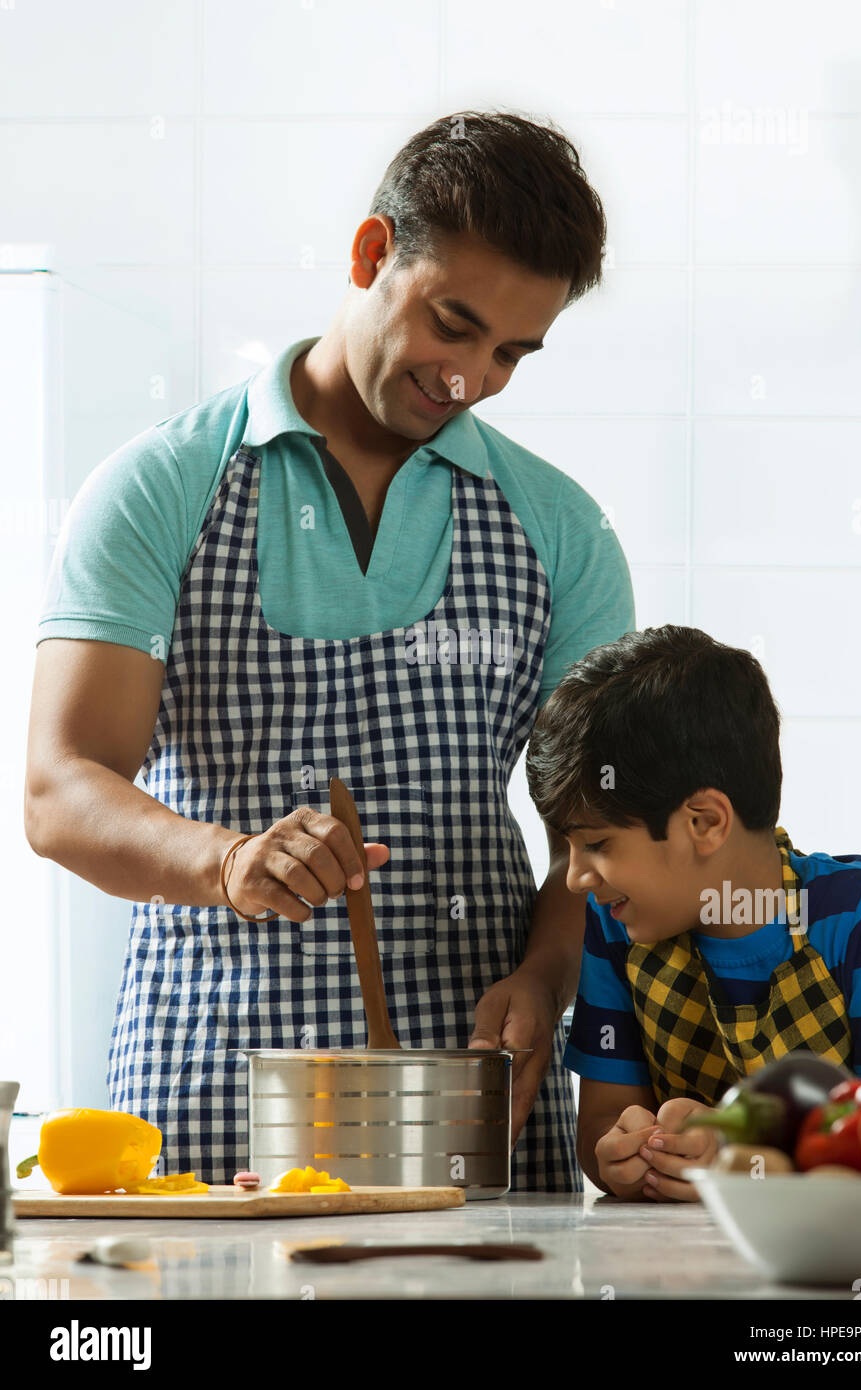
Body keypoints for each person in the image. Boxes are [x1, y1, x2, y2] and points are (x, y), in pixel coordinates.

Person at [24, 111, 634, 1190]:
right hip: (204, 1088)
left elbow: (602, 831)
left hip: (464, 1093)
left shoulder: (560, 530)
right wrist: (225, 861)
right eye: (454, 325)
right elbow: (61, 790)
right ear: (368, 256)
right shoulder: (164, 486)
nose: (471, 382)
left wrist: (547, 975)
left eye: (510, 355)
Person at [525, 624, 861, 1199]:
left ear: (704, 822)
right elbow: (601, 1123)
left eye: (599, 845)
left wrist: (742, 1163)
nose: (577, 877)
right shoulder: (613, 930)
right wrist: (628, 1155)